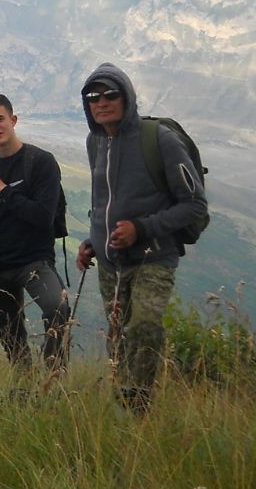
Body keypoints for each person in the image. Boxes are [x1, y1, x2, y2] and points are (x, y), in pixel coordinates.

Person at [76, 64, 208, 411]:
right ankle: (123, 407)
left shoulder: (159, 139)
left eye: (110, 94)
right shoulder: (95, 142)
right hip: (110, 262)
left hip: (154, 255)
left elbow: (194, 204)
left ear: (127, 96)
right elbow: (103, 202)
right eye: (93, 97)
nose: (101, 102)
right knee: (117, 334)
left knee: (145, 325)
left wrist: (142, 228)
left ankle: (140, 404)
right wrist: (93, 240)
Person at [0, 93, 70, 370]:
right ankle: (23, 390)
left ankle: (54, 378)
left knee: (57, 308)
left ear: (13, 120)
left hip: (34, 261)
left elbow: (42, 217)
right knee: (12, 339)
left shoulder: (41, 162)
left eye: (0, 119)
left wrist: (3, 190)